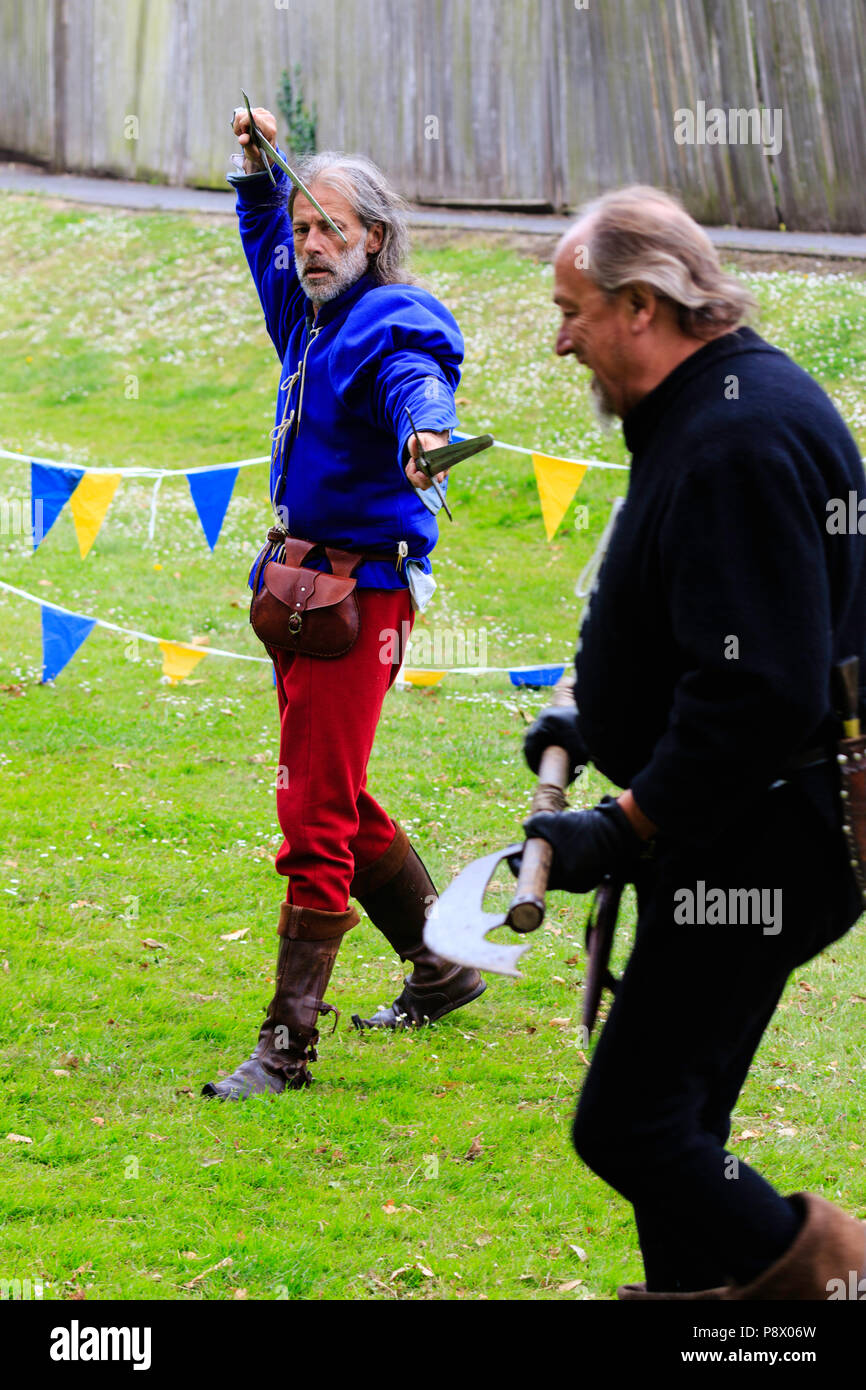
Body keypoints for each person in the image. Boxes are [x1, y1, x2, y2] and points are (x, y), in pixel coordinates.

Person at [520, 185, 866, 1299]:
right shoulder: (715, 405)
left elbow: (758, 691)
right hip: (751, 825)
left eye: (572, 311)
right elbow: (712, 627)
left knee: (632, 1124)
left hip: (767, 843)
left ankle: (839, 1283)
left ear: (639, 304)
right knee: (679, 1124)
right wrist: (599, 714)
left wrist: (623, 825)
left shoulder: (734, 438)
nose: (561, 339)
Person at [202, 108, 484, 1101]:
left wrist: (427, 439)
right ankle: (442, 963)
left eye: (333, 228)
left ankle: (287, 1045)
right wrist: (255, 171)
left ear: (375, 237)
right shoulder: (307, 315)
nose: (311, 243)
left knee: (313, 813)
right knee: (334, 788)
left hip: (358, 600)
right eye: (303, 226)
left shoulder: (388, 322)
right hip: (298, 591)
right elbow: (263, 248)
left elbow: (418, 387)